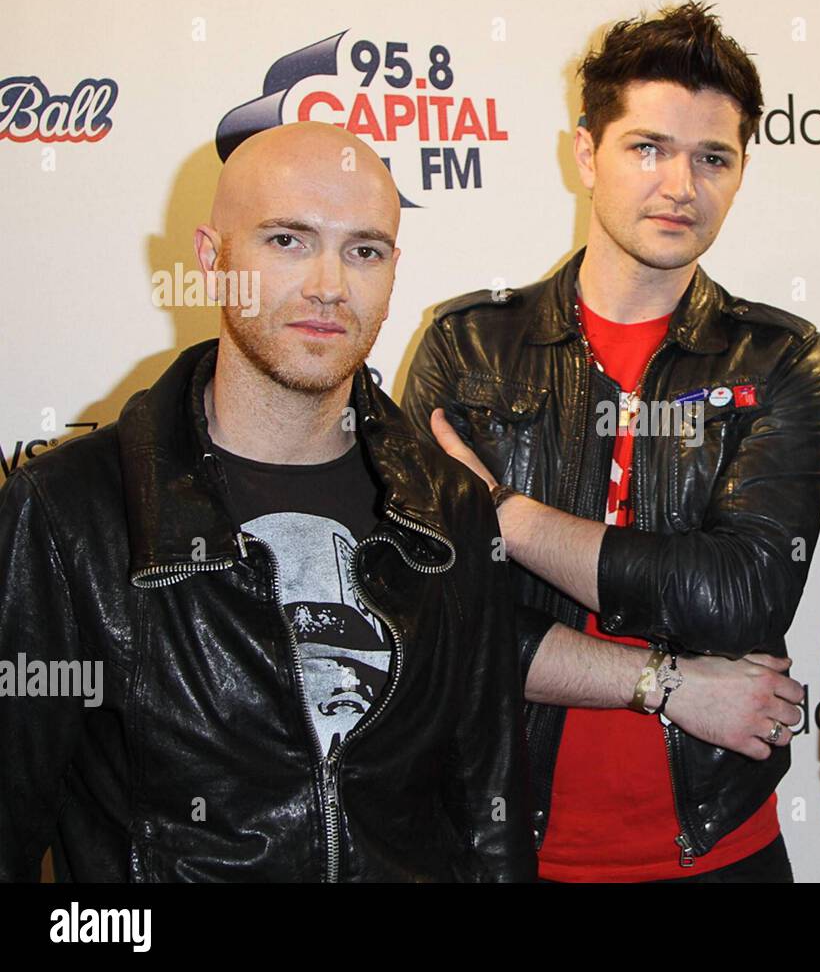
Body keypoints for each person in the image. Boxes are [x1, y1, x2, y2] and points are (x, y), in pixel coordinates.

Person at [0, 122, 534, 882]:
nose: (329, 283)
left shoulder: (447, 507)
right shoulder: (68, 512)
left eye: (364, 249)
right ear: (212, 259)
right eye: (287, 241)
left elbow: (489, 809)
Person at [403, 1, 820, 882]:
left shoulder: (781, 357)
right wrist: (668, 682)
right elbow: (436, 624)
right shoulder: (469, 347)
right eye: (647, 147)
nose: (681, 184)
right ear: (584, 153)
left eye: (712, 157)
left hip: (722, 852)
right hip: (504, 850)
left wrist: (507, 519)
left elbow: (742, 597)